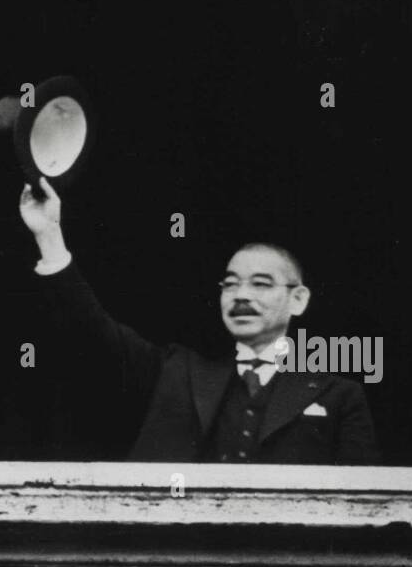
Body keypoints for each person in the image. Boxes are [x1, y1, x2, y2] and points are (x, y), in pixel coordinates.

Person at [19, 178, 379, 465]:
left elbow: (365, 506)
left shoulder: (339, 395)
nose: (241, 295)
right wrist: (49, 236)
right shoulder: (177, 370)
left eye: (261, 284)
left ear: (298, 299)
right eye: (231, 284)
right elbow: (95, 333)